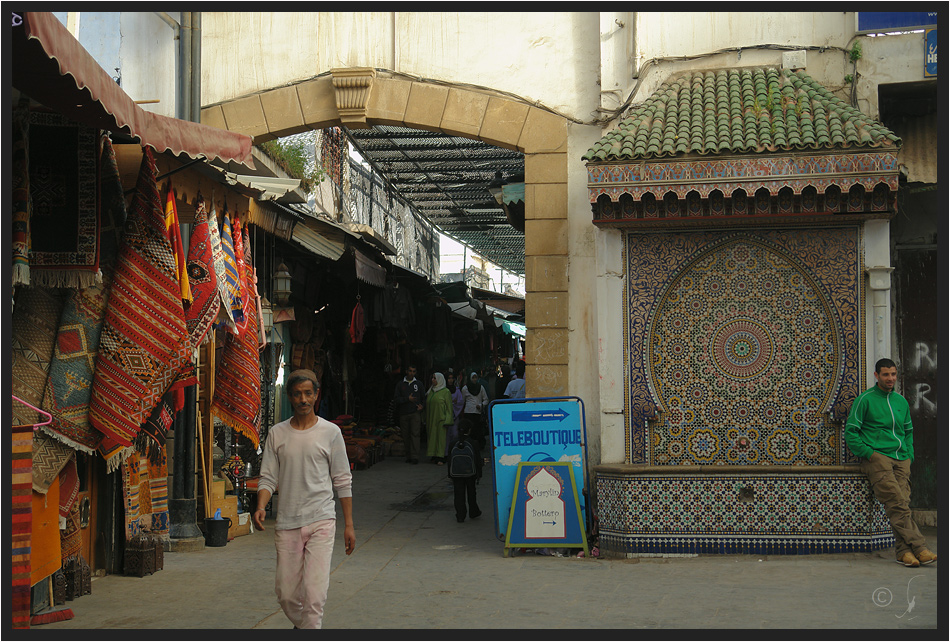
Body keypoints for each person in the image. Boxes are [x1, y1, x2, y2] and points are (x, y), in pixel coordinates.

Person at [253, 369, 355, 629]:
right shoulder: (277, 434)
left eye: (308, 393)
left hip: (322, 520)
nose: (303, 400)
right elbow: (267, 477)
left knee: (313, 595)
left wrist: (349, 525)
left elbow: (342, 480)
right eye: (297, 394)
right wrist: (261, 506)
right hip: (287, 522)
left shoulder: (331, 433)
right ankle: (306, 626)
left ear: (316, 395)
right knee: (286, 595)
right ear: (289, 397)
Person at [844, 358, 937, 567]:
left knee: (901, 503)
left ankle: (904, 552)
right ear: (876, 376)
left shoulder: (900, 401)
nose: (890, 378)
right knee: (896, 502)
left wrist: (909, 454)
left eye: (893, 374)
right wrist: (870, 453)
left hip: (901, 458)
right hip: (877, 459)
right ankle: (920, 547)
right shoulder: (865, 400)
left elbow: (908, 431)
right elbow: (851, 431)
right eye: (886, 374)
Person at [447, 424, 483, 523]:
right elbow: (477, 460)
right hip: (470, 473)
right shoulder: (473, 443)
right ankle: (473, 511)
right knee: (471, 492)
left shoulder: (453, 443)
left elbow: (450, 460)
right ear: (470, 430)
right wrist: (479, 474)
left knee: (458, 494)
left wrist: (450, 474)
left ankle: (460, 515)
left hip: (456, 473)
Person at [394, 364, 424, 464]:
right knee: (405, 435)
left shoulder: (418, 384)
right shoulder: (400, 384)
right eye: (410, 371)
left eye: (414, 371)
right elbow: (396, 399)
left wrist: (422, 406)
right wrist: (407, 399)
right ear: (407, 371)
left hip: (415, 412)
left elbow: (423, 398)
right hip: (403, 413)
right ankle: (408, 455)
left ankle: (415, 456)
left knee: (415, 434)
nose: (412, 373)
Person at [424, 372, 455, 465]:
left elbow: (449, 407)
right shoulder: (431, 391)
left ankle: (440, 457)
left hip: (441, 419)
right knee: (432, 437)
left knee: (440, 439)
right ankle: (433, 455)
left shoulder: (445, 392)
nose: (433, 380)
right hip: (431, 419)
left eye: (435, 378)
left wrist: (448, 420)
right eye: (432, 378)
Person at [461, 370, 489, 452]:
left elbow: (486, 399)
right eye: (473, 378)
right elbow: (463, 400)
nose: (474, 379)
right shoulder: (465, 388)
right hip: (468, 412)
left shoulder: (481, 388)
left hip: (477, 413)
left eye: (475, 377)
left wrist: (480, 406)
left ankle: (478, 446)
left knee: (477, 430)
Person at [445, 371, 465, 461]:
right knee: (445, 436)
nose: (451, 380)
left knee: (454, 434)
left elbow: (460, 402)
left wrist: (453, 405)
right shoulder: (443, 390)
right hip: (445, 416)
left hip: (454, 416)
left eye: (452, 378)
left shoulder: (456, 390)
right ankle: (445, 453)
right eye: (449, 378)